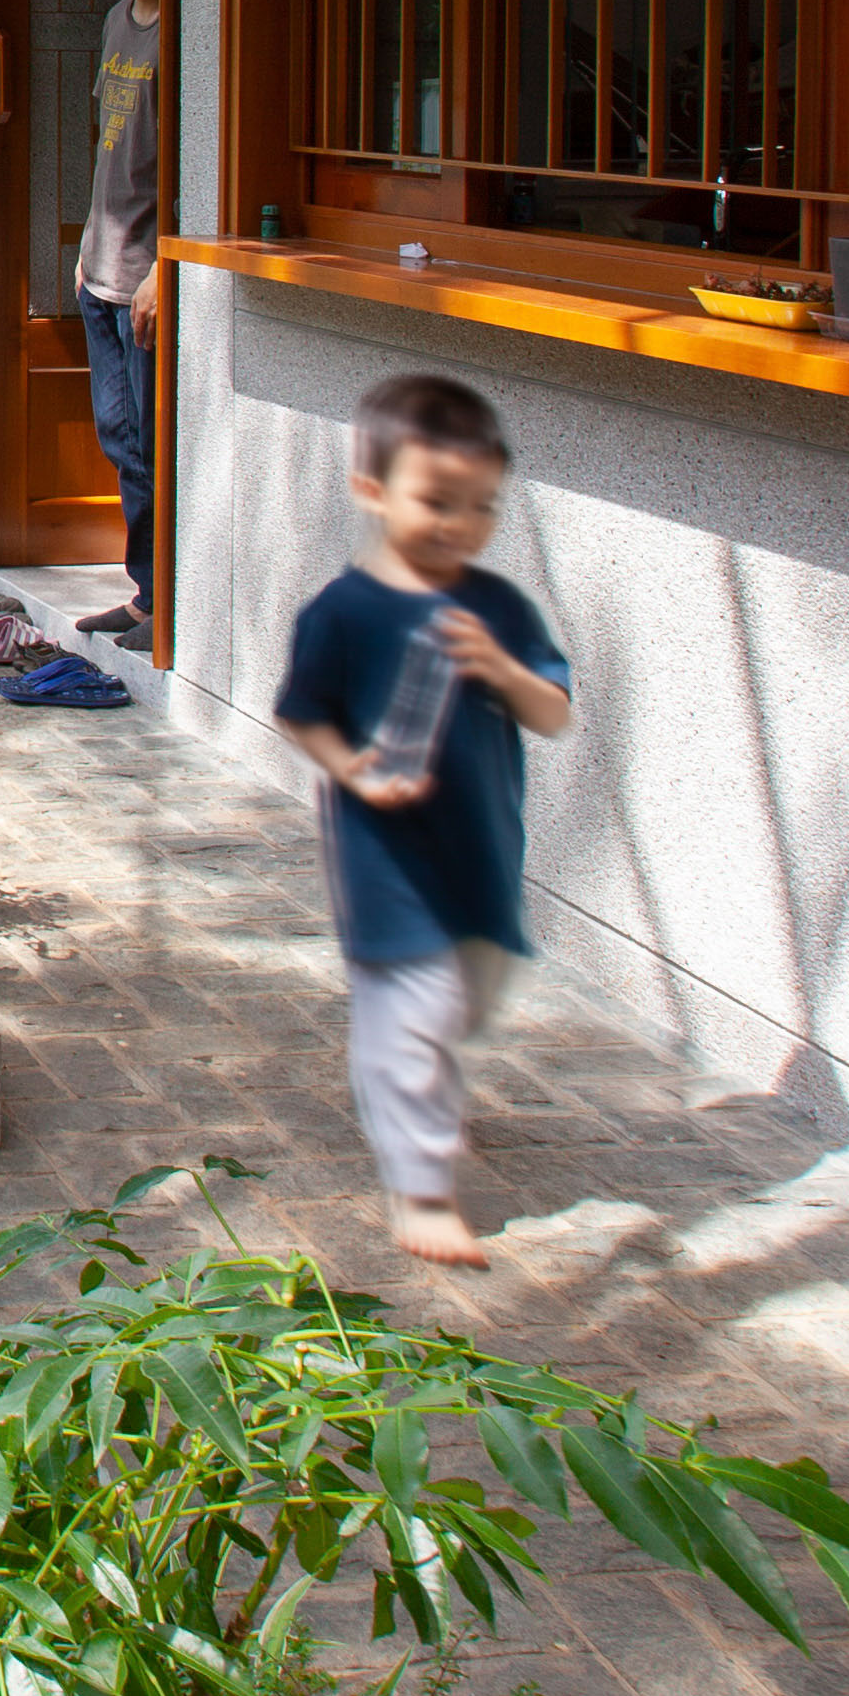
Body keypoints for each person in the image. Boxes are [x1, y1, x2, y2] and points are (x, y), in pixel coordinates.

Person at [269, 369, 576, 1267]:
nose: (459, 525)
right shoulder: (345, 610)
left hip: (480, 853)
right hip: (385, 860)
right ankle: (423, 1189)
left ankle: (415, 1085)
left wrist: (504, 670)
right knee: (414, 1008)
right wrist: (353, 771)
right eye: (437, 501)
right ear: (373, 491)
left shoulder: (498, 608)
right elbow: (302, 712)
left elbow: (553, 712)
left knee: (462, 1001)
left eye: (482, 507)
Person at [73, 0, 166, 652]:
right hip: (100, 271)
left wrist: (166, 268)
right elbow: (107, 144)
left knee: (150, 444)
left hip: (147, 280)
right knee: (119, 439)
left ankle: (165, 602)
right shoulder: (116, 22)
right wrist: (84, 253)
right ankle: (145, 596)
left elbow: (197, 162)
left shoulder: (184, 29)